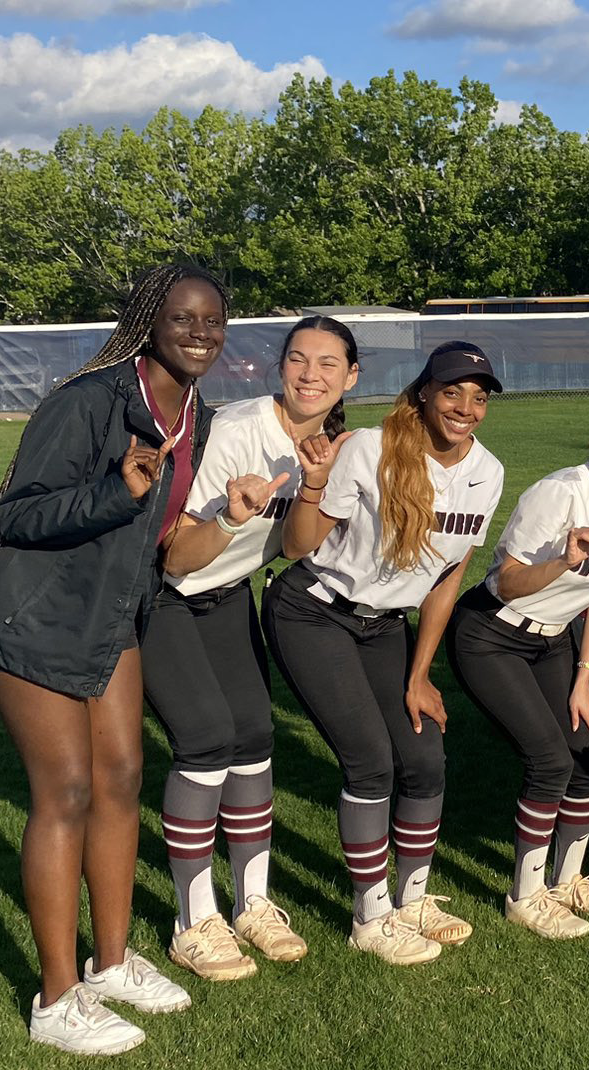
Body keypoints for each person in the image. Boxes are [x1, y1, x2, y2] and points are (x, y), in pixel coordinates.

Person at [0, 264, 222, 1055]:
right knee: (65, 789)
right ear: (148, 320)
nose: (200, 332)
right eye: (183, 317)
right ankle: (56, 997)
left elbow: (159, 536)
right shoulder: (90, 399)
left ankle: (110, 962)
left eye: (213, 319)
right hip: (33, 613)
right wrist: (115, 489)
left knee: (122, 778)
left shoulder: (192, 409)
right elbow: (19, 511)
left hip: (109, 617)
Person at [264, 342, 505, 967]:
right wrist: (314, 483)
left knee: (424, 756)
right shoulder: (370, 449)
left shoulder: (488, 471)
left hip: (384, 626)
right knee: (371, 761)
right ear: (425, 392)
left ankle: (413, 899)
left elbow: (449, 577)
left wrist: (420, 674)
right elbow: (297, 546)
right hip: (314, 609)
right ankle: (371, 917)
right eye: (452, 391)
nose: (466, 407)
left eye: (479, 397)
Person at [146, 316, 357, 981]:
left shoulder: (327, 446)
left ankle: (253, 903)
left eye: (328, 364)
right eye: (298, 359)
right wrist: (232, 517)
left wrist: (316, 482)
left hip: (228, 593)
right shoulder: (239, 432)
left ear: (351, 377)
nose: (310, 374)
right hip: (160, 593)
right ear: (280, 366)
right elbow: (176, 555)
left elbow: (294, 545)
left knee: (256, 736)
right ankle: (192, 918)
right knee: (207, 735)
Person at [447, 402, 589, 939]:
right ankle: (526, 894)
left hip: (553, 641)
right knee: (548, 760)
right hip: (492, 633)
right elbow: (506, 584)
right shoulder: (559, 493)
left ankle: (566, 880)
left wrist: (585, 676)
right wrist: (564, 561)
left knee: (587, 751)